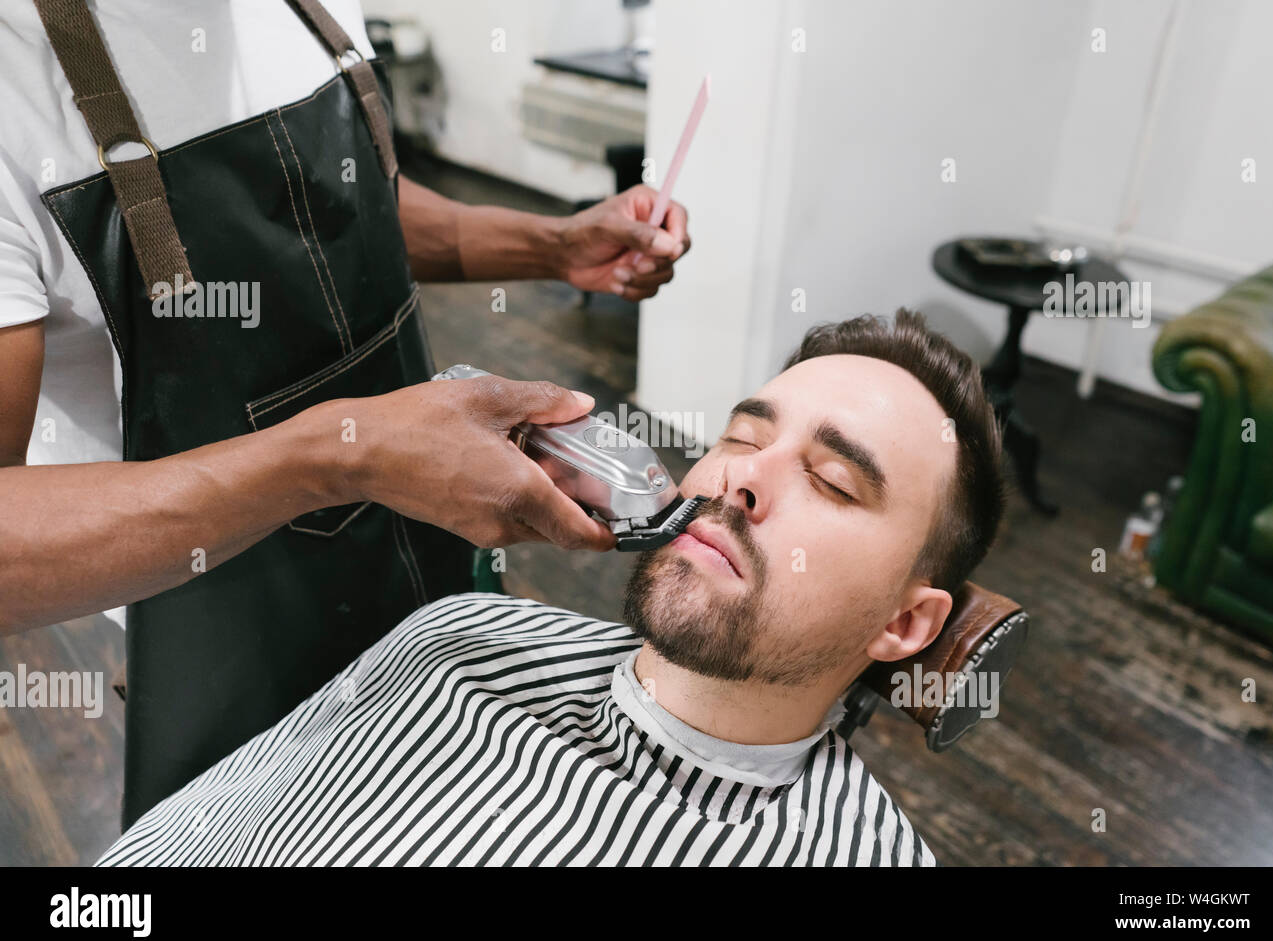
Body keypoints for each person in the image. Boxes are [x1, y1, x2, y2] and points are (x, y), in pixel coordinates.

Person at [0, 0, 690, 827]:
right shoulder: (16, 80)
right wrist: (340, 457)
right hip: (223, 627)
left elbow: (339, 204)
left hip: (430, 559)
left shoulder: (310, 11)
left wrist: (551, 246)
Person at [97, 310, 1005, 866]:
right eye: (739, 436)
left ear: (903, 623)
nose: (742, 478)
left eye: (835, 482)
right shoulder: (450, 640)